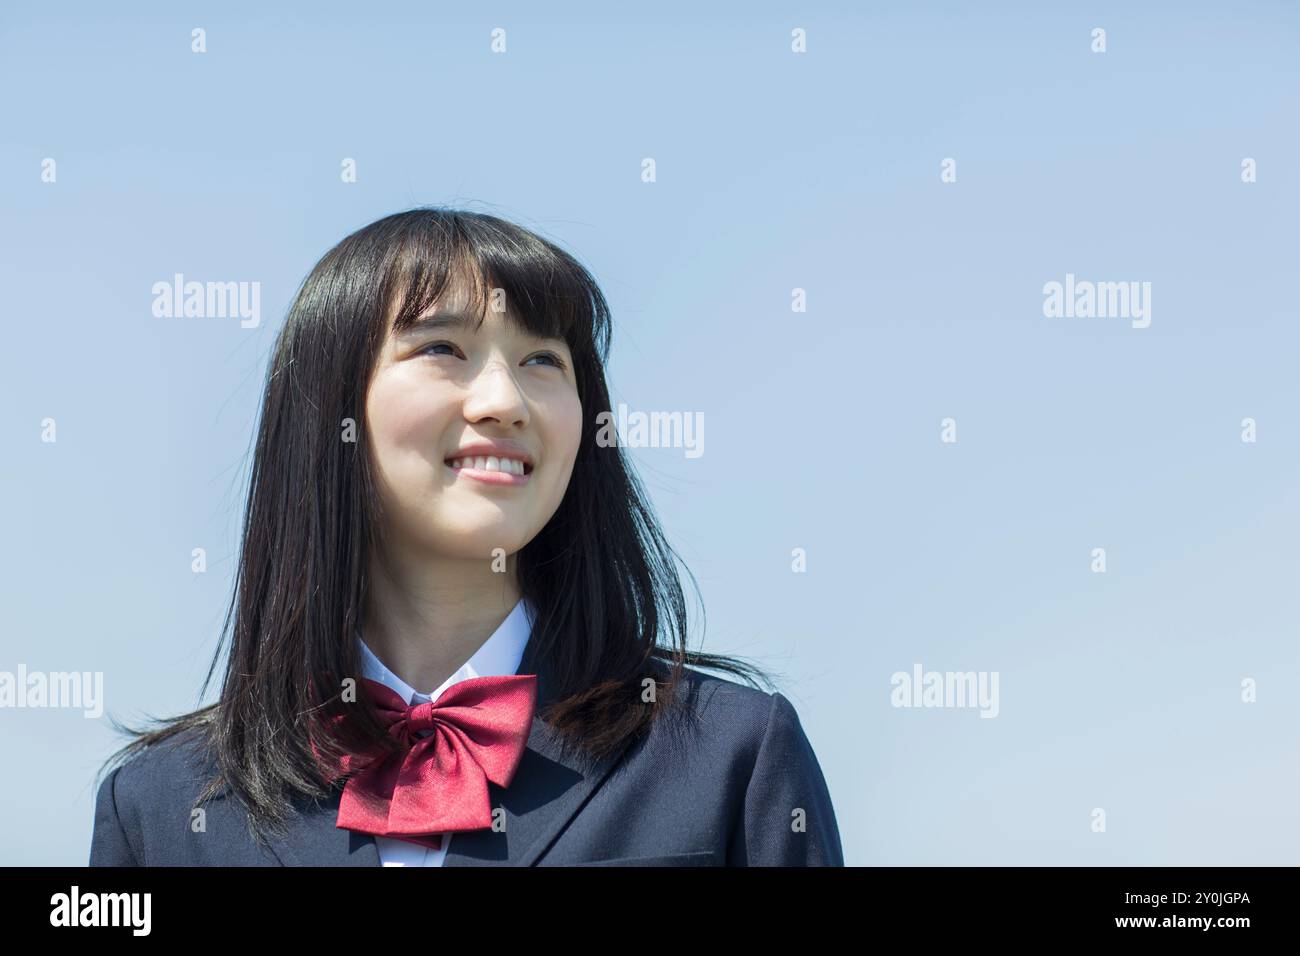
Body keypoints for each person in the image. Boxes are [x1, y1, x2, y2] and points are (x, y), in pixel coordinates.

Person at [89, 208, 844, 866]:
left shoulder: (732, 756)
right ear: (328, 410)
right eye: (443, 349)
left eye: (543, 360)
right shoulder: (158, 808)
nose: (504, 401)